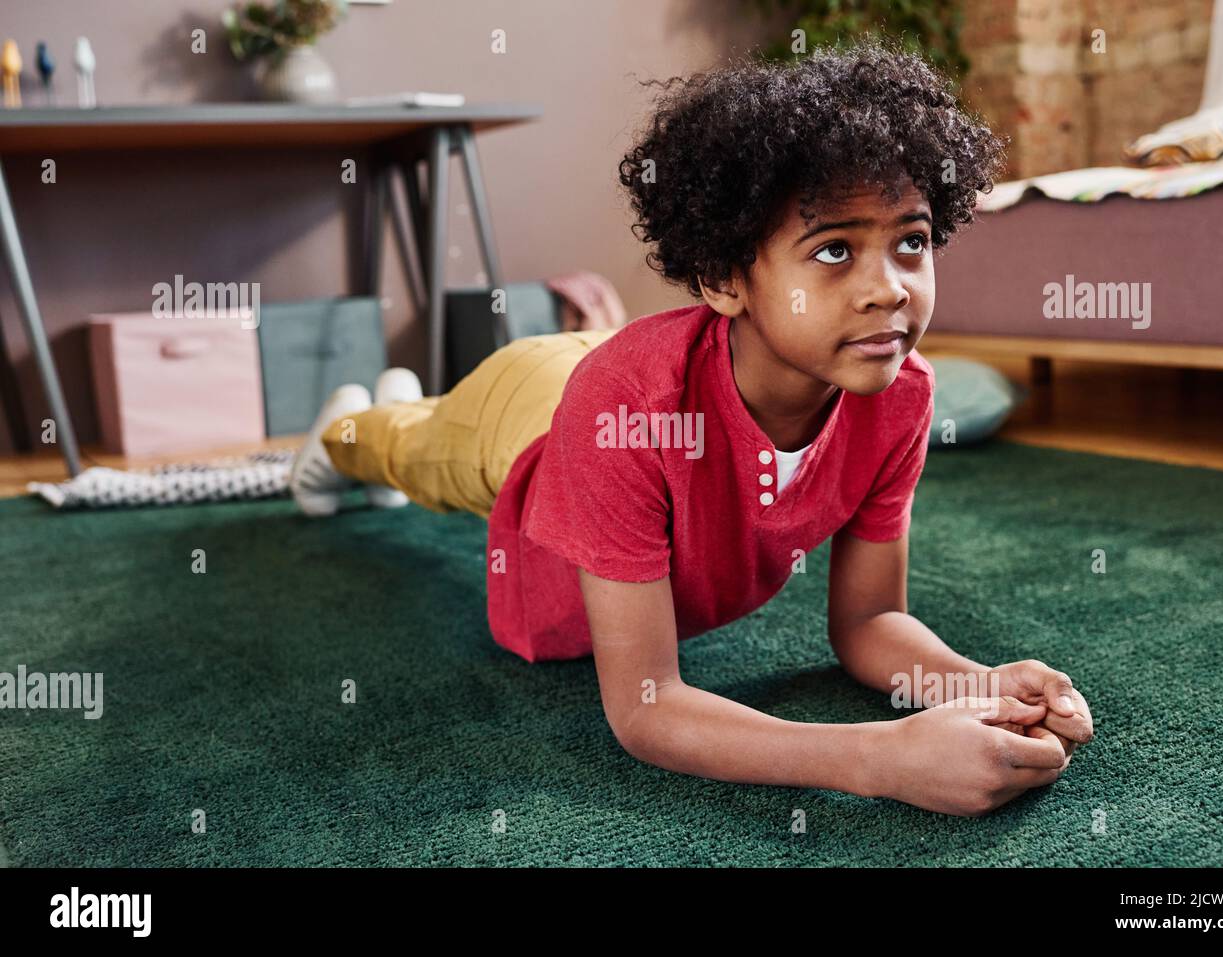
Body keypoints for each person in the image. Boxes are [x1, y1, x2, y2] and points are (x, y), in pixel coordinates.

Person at [289, 38, 1094, 817]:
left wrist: (972, 681)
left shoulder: (901, 395)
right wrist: (878, 758)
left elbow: (867, 622)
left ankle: (388, 404)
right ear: (721, 278)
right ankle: (348, 430)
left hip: (634, 373)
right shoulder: (625, 410)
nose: (887, 289)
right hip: (535, 408)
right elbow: (646, 707)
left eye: (910, 242)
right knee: (414, 449)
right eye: (834, 251)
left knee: (428, 421)